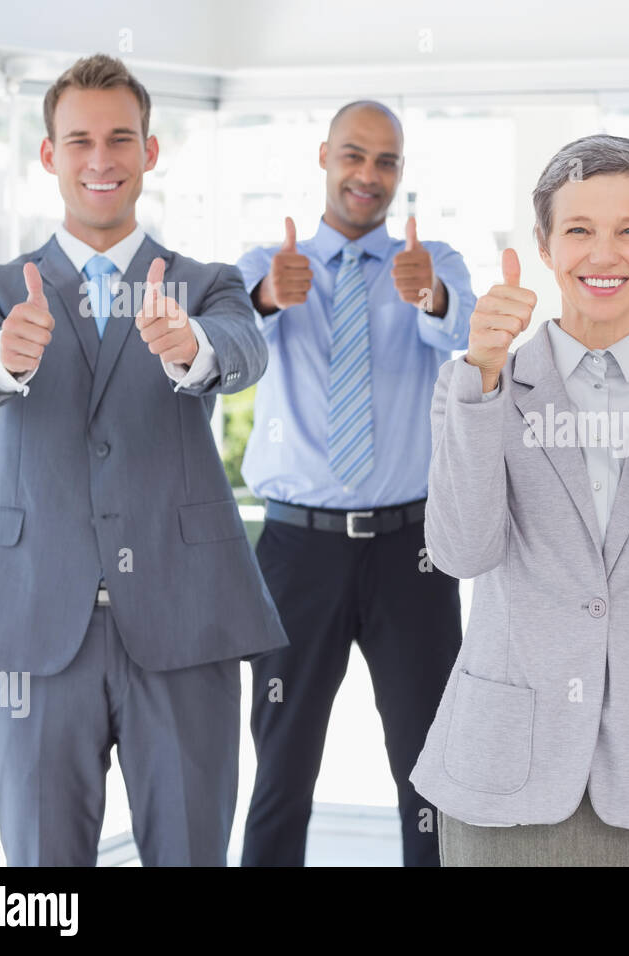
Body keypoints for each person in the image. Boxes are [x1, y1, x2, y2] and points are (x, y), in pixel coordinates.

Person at [0, 54, 286, 866]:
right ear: (50, 155)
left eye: (120, 139)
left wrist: (189, 344)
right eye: (80, 140)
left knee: (192, 852)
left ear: (150, 152)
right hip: (33, 629)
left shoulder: (205, 284)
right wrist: (3, 359)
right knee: (40, 875)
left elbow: (242, 348)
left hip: (184, 621)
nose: (101, 159)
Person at [409, 134, 629, 866]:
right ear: (544, 246)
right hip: (508, 769)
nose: (604, 255)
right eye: (579, 231)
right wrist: (481, 381)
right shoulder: (479, 382)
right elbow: (462, 552)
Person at [235, 100, 474, 867]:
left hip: (413, 552)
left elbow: (470, 337)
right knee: (281, 769)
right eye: (353, 155)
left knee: (432, 768)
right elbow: (224, 346)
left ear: (400, 173)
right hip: (295, 553)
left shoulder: (435, 263)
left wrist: (429, 295)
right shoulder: (262, 268)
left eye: (386, 161)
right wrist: (269, 297)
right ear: (323, 157)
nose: (368, 175)